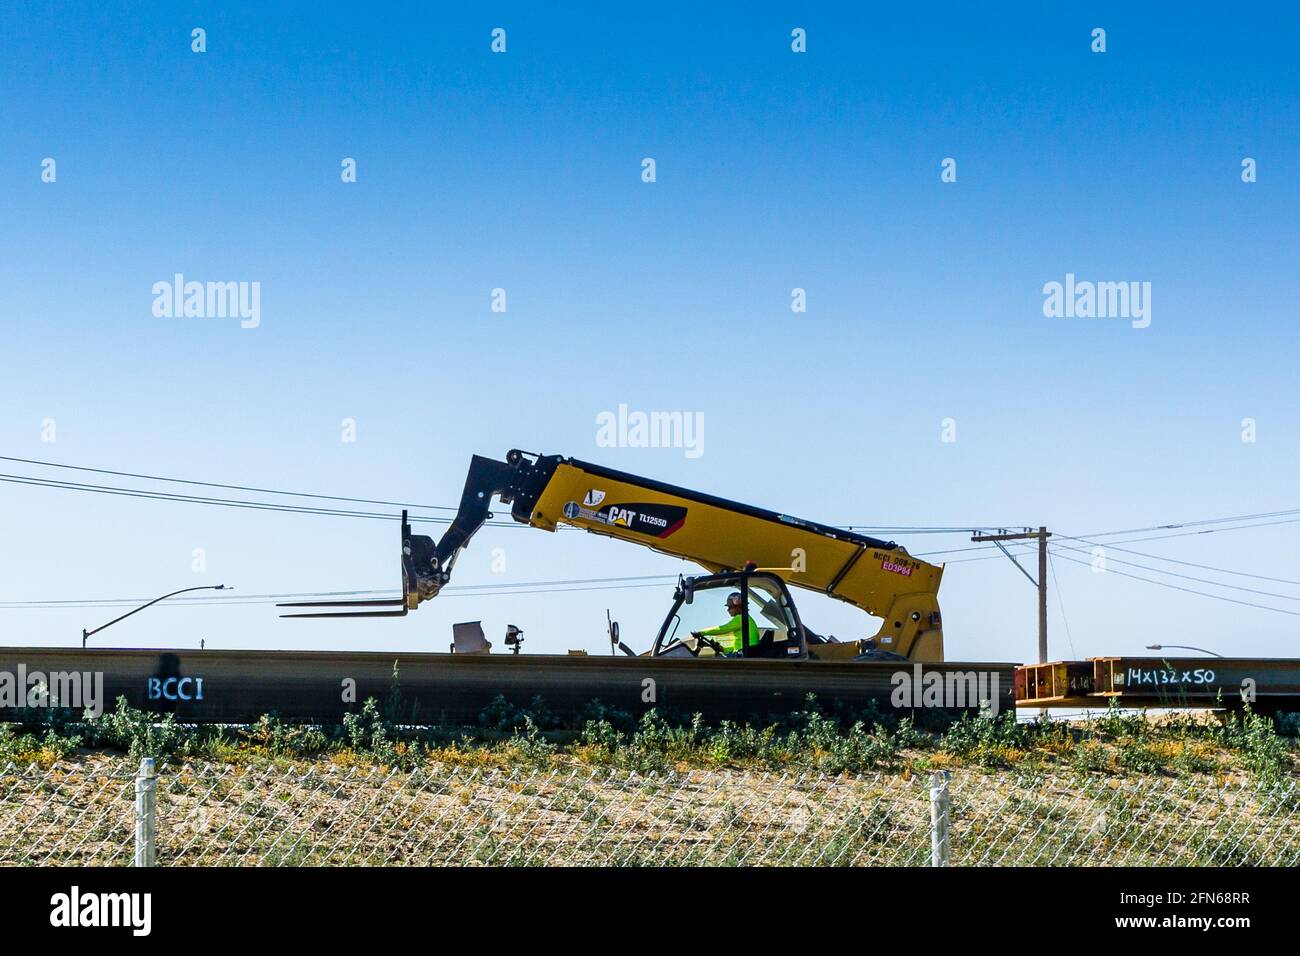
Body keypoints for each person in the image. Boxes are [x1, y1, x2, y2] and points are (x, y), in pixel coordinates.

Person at [692, 591, 759, 654]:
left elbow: (723, 629)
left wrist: (701, 632)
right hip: (744, 653)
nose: (728, 610)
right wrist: (723, 649)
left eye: (730, 607)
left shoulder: (741, 618)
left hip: (744, 654)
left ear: (738, 606)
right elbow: (736, 648)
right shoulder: (747, 619)